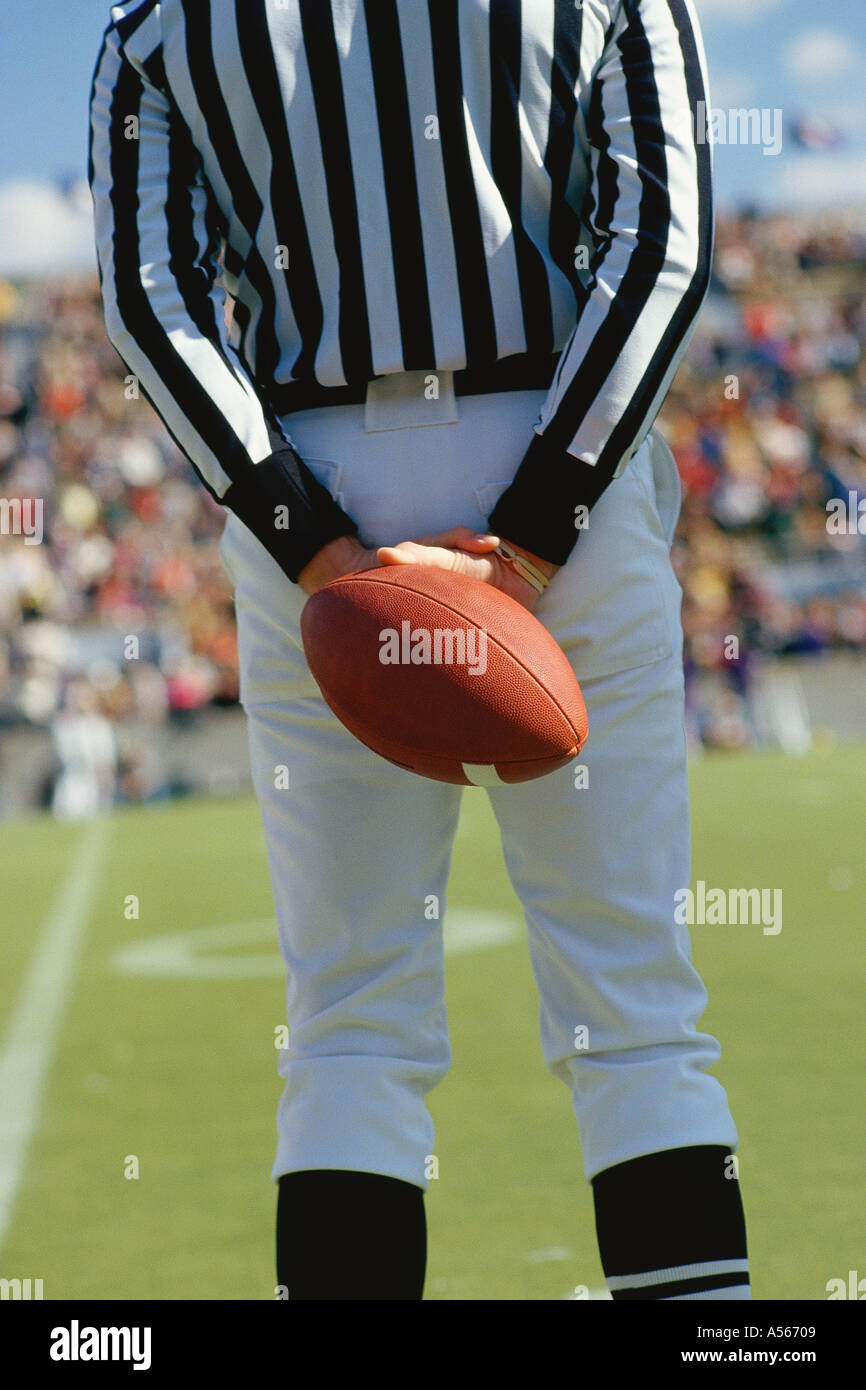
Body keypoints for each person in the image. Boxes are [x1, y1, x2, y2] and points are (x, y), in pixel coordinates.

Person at [89, 0, 750, 1300]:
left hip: (317, 485)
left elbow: (149, 302)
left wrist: (318, 549)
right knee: (637, 1015)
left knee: (347, 1027)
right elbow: (662, 246)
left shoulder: (155, 25)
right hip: (562, 451)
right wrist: (532, 535)